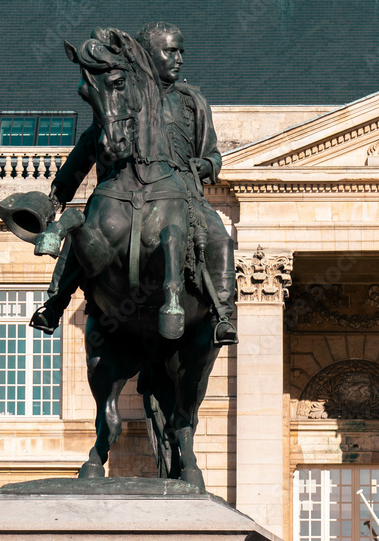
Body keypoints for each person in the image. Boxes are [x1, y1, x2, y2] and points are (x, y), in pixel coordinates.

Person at [30, 22, 238, 345]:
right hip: (129, 192)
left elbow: (213, 155)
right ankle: (56, 302)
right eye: (171, 51)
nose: (179, 58)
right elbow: (88, 148)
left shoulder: (191, 101)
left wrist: (204, 164)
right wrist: (57, 196)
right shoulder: (124, 100)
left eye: (181, 51)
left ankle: (223, 315)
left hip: (184, 191)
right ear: (149, 55)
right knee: (84, 227)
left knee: (221, 239)